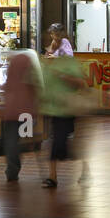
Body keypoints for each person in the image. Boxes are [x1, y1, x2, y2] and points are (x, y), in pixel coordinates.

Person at [39, 48, 88, 188]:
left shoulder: (69, 63)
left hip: (67, 109)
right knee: (55, 142)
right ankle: (52, 176)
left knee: (63, 144)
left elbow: (80, 83)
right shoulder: (48, 65)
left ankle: (84, 169)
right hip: (53, 109)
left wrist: (60, 75)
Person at [0, 43, 42, 182]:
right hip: (26, 111)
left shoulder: (12, 68)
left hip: (11, 109)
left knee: (10, 139)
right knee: (23, 138)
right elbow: (36, 86)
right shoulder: (29, 65)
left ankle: (12, 169)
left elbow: (6, 86)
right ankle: (19, 162)